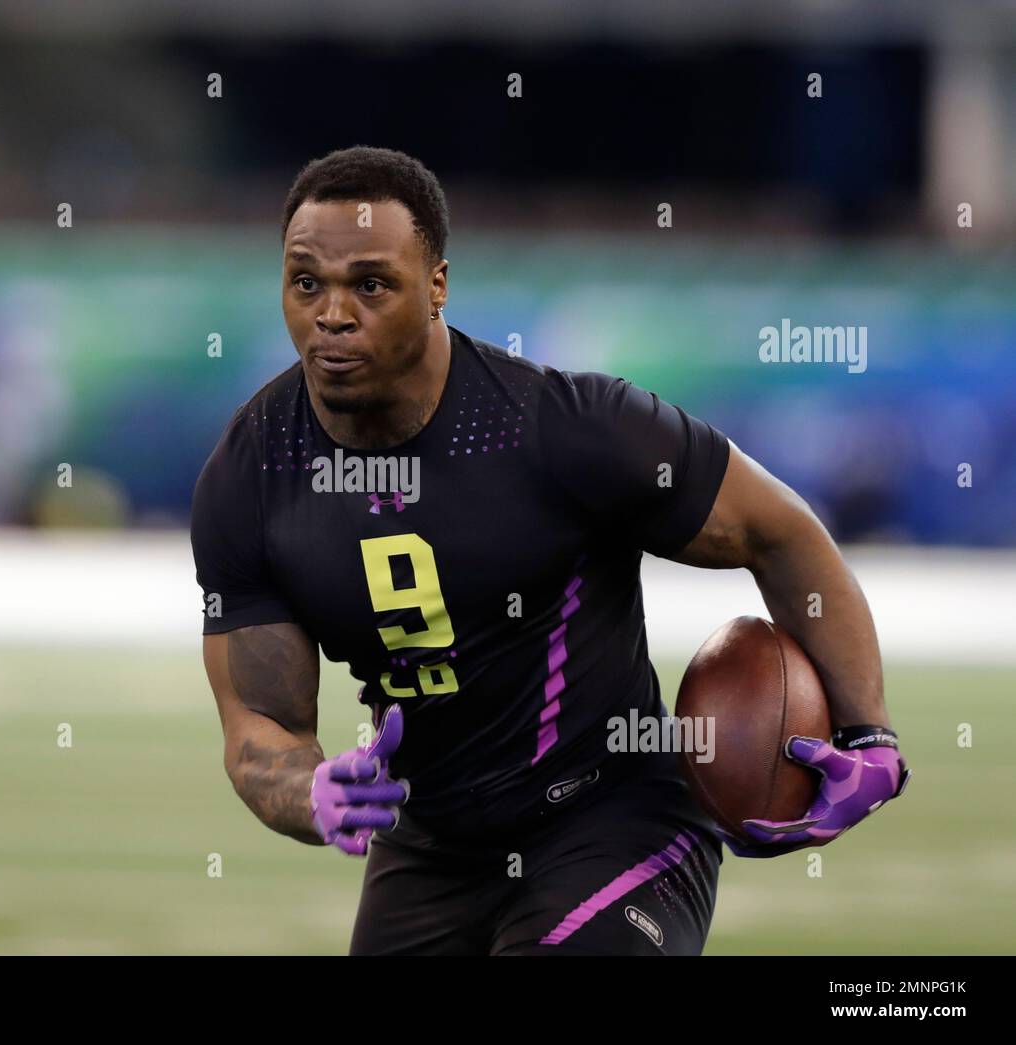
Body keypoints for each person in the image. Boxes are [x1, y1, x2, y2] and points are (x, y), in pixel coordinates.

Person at [191, 145, 909, 955]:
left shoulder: (566, 428)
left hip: (611, 818)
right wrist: (308, 789)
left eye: (370, 283)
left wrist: (869, 734)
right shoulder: (250, 473)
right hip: (429, 844)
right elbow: (259, 721)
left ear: (437, 287)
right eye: (307, 282)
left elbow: (780, 531)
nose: (332, 313)